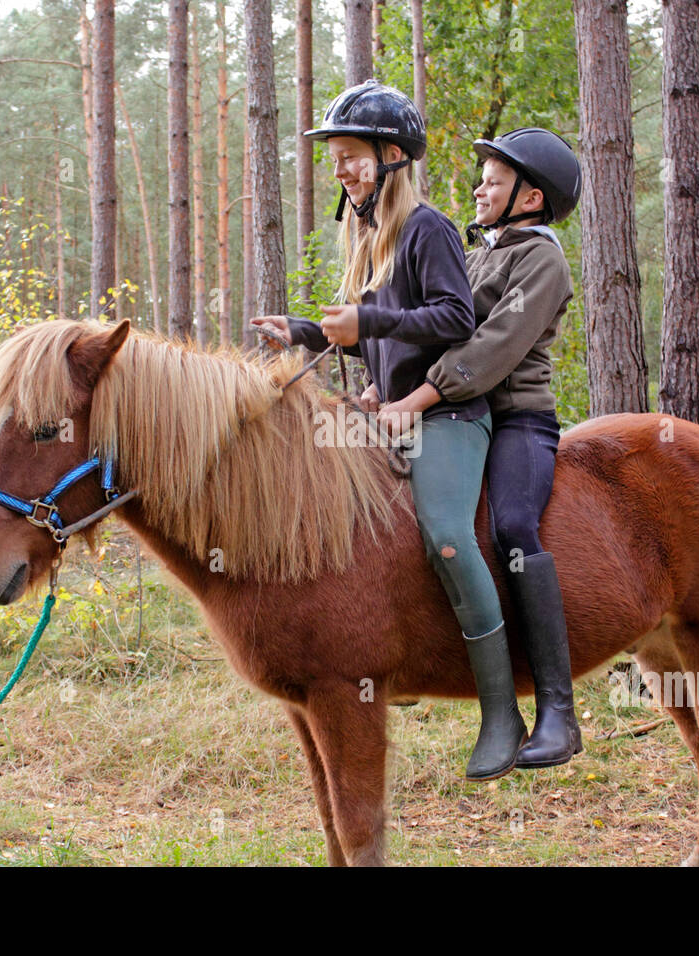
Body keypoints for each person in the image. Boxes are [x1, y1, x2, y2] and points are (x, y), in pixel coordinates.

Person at [251, 80, 526, 781]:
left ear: (392, 156)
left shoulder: (426, 226)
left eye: (351, 156)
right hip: (388, 416)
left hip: (448, 415)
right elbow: (370, 338)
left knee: (445, 532)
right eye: (335, 158)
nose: (340, 170)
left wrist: (367, 321)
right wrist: (303, 330)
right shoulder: (369, 234)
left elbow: (455, 318)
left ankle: (502, 712)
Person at [375, 128, 583, 768]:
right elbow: (432, 327)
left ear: (529, 197)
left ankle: (557, 711)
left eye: (493, 181)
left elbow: (493, 346)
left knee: (514, 527)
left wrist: (417, 399)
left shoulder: (542, 260)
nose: (479, 190)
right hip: (458, 416)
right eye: (482, 179)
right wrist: (379, 384)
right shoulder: (478, 254)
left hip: (517, 417)